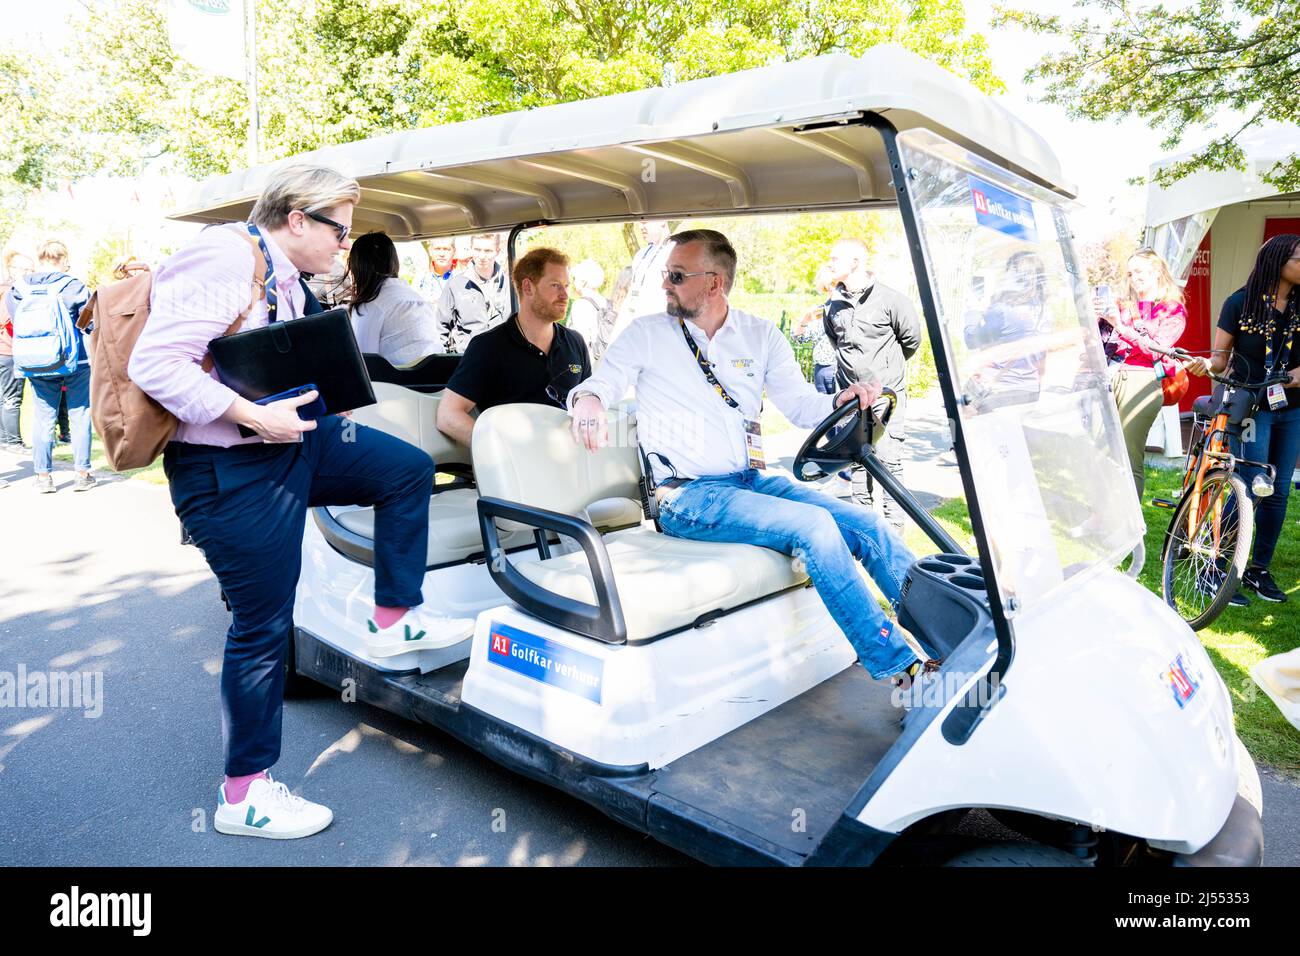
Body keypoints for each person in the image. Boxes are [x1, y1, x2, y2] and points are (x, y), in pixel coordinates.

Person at [130, 163, 473, 841]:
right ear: (297, 219)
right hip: (228, 468)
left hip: (290, 444)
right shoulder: (225, 256)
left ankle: (392, 616)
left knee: (403, 469)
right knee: (262, 628)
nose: (345, 247)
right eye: (340, 233)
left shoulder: (284, 272)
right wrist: (254, 417)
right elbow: (155, 364)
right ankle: (245, 794)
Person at [567, 229, 939, 690]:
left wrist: (844, 398)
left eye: (677, 276)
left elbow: (802, 405)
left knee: (868, 525)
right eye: (667, 274)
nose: (665, 284)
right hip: (686, 497)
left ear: (714, 283)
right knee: (815, 527)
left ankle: (948, 639)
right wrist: (587, 400)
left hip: (750, 482)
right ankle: (902, 672)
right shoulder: (646, 334)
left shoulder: (760, 336)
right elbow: (604, 381)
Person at [1187, 233, 1300, 605]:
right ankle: (1221, 567)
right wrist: (1206, 364)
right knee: (1250, 486)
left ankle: (1257, 570)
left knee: (1279, 489)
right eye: (1298, 258)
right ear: (1277, 261)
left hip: (1292, 408)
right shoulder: (1240, 303)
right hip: (1251, 405)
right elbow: (1220, 359)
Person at [436, 247, 590, 446]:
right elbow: (448, 415)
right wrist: (498, 451)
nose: (565, 295)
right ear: (528, 287)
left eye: (566, 286)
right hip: (515, 469)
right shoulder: (489, 347)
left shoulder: (575, 342)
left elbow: (588, 401)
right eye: (555, 285)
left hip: (571, 459)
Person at [823, 237, 922, 532]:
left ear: (855, 262)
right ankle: (864, 526)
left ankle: (895, 530)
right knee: (857, 463)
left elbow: (911, 341)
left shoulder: (892, 301)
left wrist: (885, 374)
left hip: (886, 399)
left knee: (889, 463)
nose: (829, 264)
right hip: (852, 401)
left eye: (835, 259)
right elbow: (835, 342)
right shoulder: (832, 305)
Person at [4, 240, 93, 493]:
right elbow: (90, 321)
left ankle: (43, 477)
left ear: (40, 258)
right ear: (63, 259)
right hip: (75, 359)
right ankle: (82, 473)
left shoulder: (19, 288)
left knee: (43, 416)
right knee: (79, 413)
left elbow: (15, 319)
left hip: (35, 360)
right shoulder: (73, 285)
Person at [1098, 249, 1187, 497]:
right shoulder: (1122, 305)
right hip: (1110, 376)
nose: (1133, 278)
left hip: (1141, 380)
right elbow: (1099, 342)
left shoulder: (1172, 310)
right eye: (1129, 273)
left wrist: (1119, 324)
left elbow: (1157, 350)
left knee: (1128, 456)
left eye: (1139, 271)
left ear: (1157, 271)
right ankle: (1101, 518)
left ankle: (1131, 528)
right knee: (1100, 452)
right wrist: (1098, 319)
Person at [964, 251, 1051, 410]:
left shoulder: (1003, 310)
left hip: (997, 390)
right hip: (1029, 389)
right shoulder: (1044, 311)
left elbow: (971, 339)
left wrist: (972, 312)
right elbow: (1041, 360)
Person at [346, 232, 444, 366]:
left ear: (357, 267)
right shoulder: (415, 297)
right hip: (433, 379)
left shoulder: (370, 305)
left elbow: (364, 362)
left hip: (394, 384)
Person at [435, 232, 510, 352]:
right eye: (477, 249)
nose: (482, 256)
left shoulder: (510, 285)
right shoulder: (455, 285)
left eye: (488, 251)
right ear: (471, 249)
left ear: (497, 251)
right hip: (469, 358)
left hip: (504, 358)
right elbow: (440, 328)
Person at [609, 220, 673, 344]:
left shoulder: (676, 251)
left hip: (662, 331)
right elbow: (632, 295)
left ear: (662, 220)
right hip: (636, 330)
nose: (641, 227)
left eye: (645, 222)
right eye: (639, 222)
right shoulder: (641, 254)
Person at [0, 248, 34, 456]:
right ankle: (13, 441)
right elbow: (8, 319)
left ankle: (4, 439)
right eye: (27, 269)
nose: (30, 273)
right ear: (14, 269)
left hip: (4, 350)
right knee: (12, 397)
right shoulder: (12, 291)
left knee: (3, 397)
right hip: (10, 350)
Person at [791, 265, 838, 395]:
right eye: (827, 286)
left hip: (839, 369)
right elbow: (798, 338)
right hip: (820, 370)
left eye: (834, 284)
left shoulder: (845, 310)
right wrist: (805, 319)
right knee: (823, 413)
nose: (830, 289)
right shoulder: (820, 310)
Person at [566, 259, 608, 356]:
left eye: (574, 278)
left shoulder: (580, 305)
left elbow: (581, 343)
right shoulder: (606, 302)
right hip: (604, 360)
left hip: (590, 363)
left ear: (583, 282)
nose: (572, 282)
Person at [416, 236, 456, 302]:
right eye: (437, 249)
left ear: (454, 251)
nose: (441, 254)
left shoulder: (462, 278)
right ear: (430, 251)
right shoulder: (420, 280)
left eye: (446, 249)